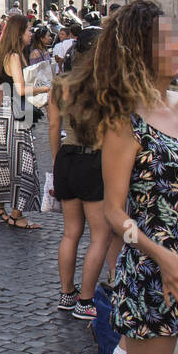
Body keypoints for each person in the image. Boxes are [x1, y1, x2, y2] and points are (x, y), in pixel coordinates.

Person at [90, 1, 178, 354]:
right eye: (167, 41)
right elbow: (113, 213)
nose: (177, 47)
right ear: (140, 53)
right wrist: (162, 255)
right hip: (152, 268)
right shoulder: (124, 122)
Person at [49, 26, 110, 321]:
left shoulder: (61, 83)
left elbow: (51, 127)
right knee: (100, 235)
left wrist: (56, 161)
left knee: (70, 233)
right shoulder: (104, 84)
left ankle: (66, 293)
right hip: (93, 159)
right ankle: (86, 300)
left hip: (67, 157)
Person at [0, 15, 49, 230]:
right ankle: (16, 214)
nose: (32, 34)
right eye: (29, 30)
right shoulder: (14, 56)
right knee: (23, 162)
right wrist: (47, 88)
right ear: (19, 33)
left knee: (9, 161)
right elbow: (21, 89)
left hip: (13, 111)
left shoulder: (14, 54)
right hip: (15, 113)